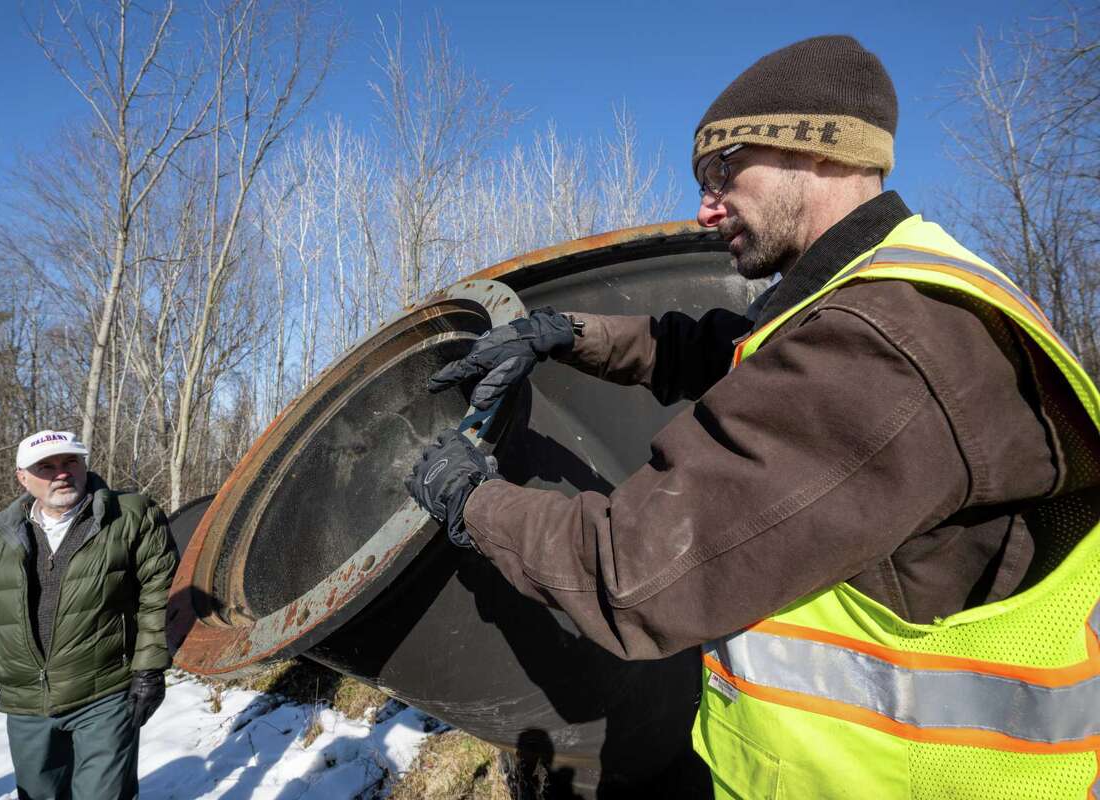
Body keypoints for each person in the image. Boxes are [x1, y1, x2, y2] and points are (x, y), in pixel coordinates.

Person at [406, 36, 1100, 798]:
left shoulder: (888, 342)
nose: (706, 208)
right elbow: (726, 351)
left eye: (724, 169)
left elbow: (632, 574)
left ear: (824, 150)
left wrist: (470, 497)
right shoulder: (879, 291)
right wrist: (566, 333)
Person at [0, 430, 177, 800]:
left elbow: (158, 596)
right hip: (27, 703)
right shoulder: (0, 537)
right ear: (23, 477)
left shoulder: (131, 516)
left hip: (104, 692)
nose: (61, 473)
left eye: (70, 462)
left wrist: (148, 670)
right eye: (45, 466)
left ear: (84, 466)